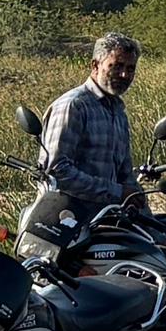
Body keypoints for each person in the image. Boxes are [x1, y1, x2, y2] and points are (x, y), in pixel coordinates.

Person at [41, 30, 145, 220]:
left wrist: (138, 201)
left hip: (107, 218)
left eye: (130, 69)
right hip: (67, 220)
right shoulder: (73, 106)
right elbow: (56, 172)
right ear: (95, 66)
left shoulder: (117, 111)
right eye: (117, 66)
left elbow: (124, 173)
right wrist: (116, 192)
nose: (124, 74)